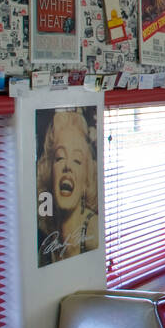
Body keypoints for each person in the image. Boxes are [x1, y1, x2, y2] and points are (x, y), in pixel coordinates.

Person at [36, 110, 100, 265]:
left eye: (77, 161)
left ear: (86, 179)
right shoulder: (44, 248)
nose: (67, 167)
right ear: (50, 171)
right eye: (60, 157)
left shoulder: (94, 235)